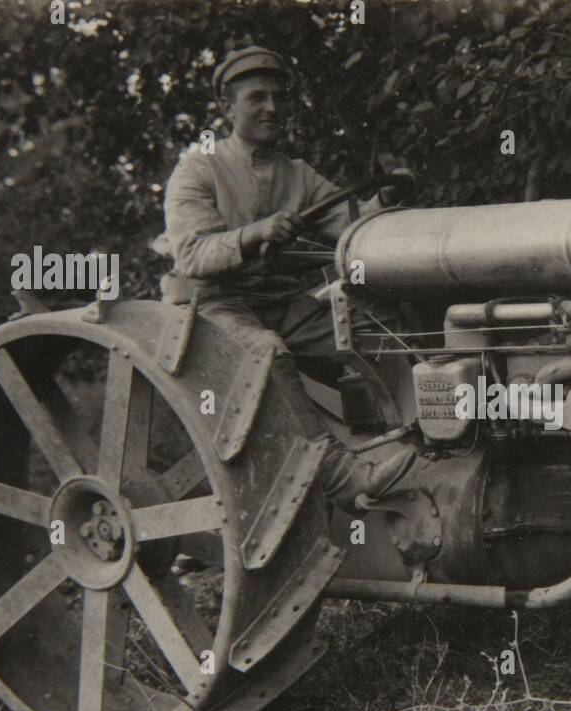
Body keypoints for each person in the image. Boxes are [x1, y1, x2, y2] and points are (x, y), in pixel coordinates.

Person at [158, 46, 414, 507]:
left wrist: (386, 203)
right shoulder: (199, 168)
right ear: (227, 107)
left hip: (282, 303)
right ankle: (339, 476)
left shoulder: (297, 173)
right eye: (257, 98)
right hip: (212, 305)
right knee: (265, 352)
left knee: (372, 326)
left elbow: (348, 225)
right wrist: (255, 233)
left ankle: (418, 438)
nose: (272, 108)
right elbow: (193, 254)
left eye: (279, 97)